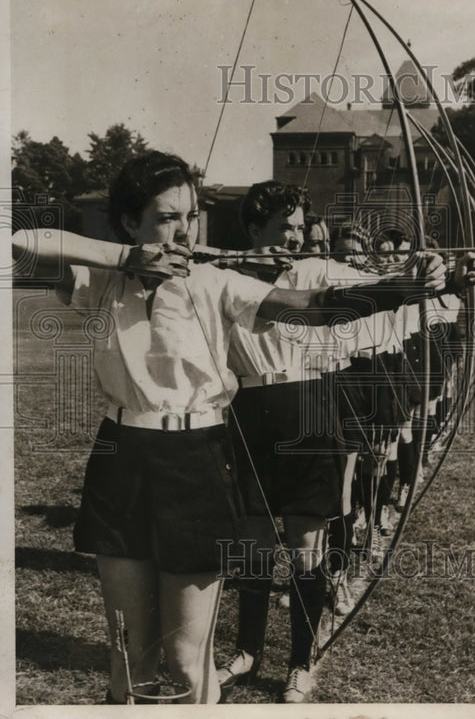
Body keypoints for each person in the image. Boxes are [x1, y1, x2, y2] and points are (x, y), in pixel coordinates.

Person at [12, 153, 444, 705]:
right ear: (128, 222)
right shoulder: (102, 281)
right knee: (127, 652)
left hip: (196, 455)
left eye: (190, 217)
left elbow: (309, 306)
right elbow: (20, 242)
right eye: (167, 217)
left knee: (187, 660)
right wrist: (127, 259)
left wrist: (401, 289)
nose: (184, 230)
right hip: (122, 453)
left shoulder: (215, 280)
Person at [217, 182, 447, 703]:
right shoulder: (221, 278)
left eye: (300, 229)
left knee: (304, 548)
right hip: (250, 414)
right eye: (283, 230)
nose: (295, 239)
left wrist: (427, 271)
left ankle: (300, 662)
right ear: (253, 230)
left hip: (311, 408)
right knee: (254, 547)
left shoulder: (317, 272)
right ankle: (247, 653)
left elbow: (373, 280)